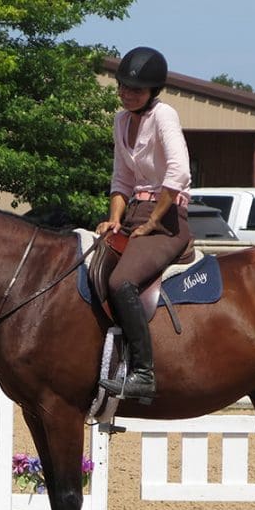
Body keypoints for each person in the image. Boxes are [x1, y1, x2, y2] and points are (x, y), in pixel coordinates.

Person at [95, 46, 194, 403]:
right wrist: (114, 220)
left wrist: (153, 221)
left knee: (121, 281)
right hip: (134, 216)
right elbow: (121, 178)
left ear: (153, 91)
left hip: (167, 220)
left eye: (135, 90)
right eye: (123, 87)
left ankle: (142, 373)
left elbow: (179, 172)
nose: (126, 94)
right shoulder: (121, 121)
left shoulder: (164, 115)